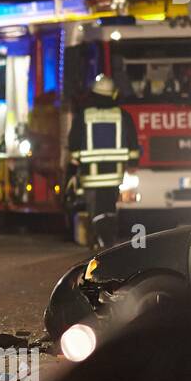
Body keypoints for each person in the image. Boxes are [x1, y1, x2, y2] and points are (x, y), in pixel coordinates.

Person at [67, 75, 139, 250]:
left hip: (91, 175)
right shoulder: (123, 116)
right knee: (109, 208)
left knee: (95, 208)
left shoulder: (84, 115)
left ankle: (100, 239)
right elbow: (133, 144)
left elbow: (74, 142)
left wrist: (74, 164)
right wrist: (133, 163)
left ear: (94, 94)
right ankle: (108, 240)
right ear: (112, 95)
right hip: (115, 175)